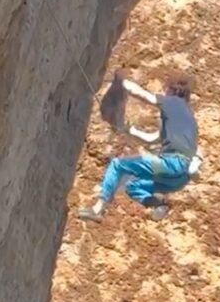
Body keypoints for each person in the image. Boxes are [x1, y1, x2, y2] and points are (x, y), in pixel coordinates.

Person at [77, 73, 202, 222]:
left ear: (173, 90)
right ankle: (159, 205)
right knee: (133, 187)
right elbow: (150, 139)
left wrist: (123, 84)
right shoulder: (186, 119)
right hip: (179, 179)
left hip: (171, 164)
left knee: (118, 165)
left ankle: (97, 209)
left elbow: (144, 96)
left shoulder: (173, 102)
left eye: (166, 90)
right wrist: (128, 130)